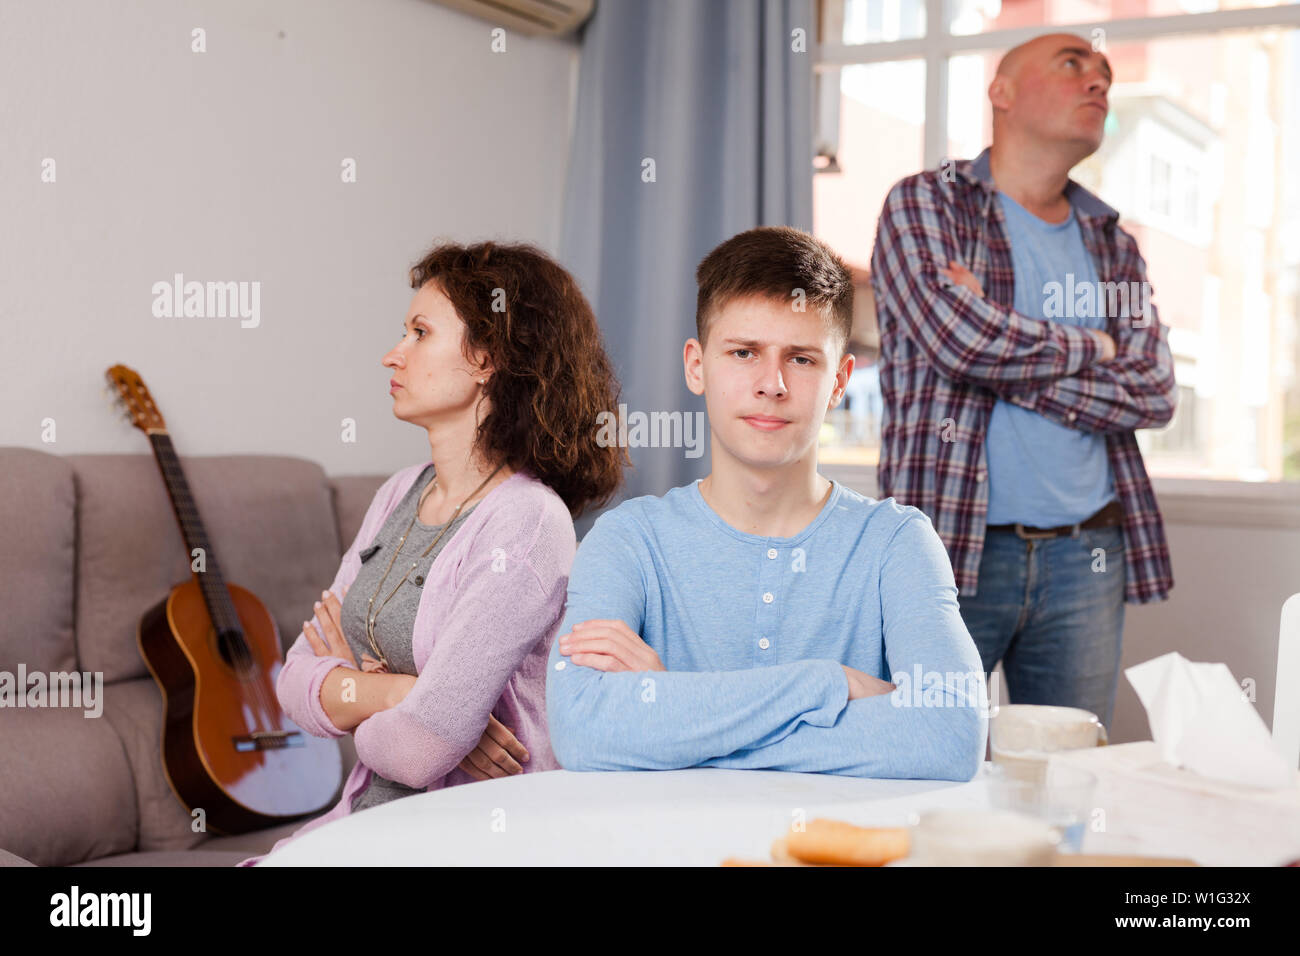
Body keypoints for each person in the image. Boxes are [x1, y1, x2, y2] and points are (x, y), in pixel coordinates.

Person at [545, 226, 986, 782]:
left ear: (840, 380)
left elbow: (951, 735)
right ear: (697, 365)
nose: (771, 384)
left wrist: (674, 713)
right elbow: (582, 732)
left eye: (801, 359)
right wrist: (827, 684)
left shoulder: (897, 542)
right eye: (744, 352)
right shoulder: (626, 540)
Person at [238, 240, 625, 865]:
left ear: (487, 359)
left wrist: (376, 698)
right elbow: (295, 678)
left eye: (421, 332)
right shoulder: (399, 492)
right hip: (365, 823)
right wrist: (402, 692)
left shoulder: (526, 523)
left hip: (466, 840)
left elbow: (419, 753)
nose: (392, 354)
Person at [869, 33, 1177, 731]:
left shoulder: (1111, 242)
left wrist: (999, 339)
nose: (1098, 80)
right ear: (1001, 92)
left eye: (1105, 71)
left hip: (1086, 553)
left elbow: (1154, 390)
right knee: (923, 765)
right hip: (947, 543)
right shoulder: (927, 205)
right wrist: (1095, 346)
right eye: (1074, 63)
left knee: (1065, 786)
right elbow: (960, 342)